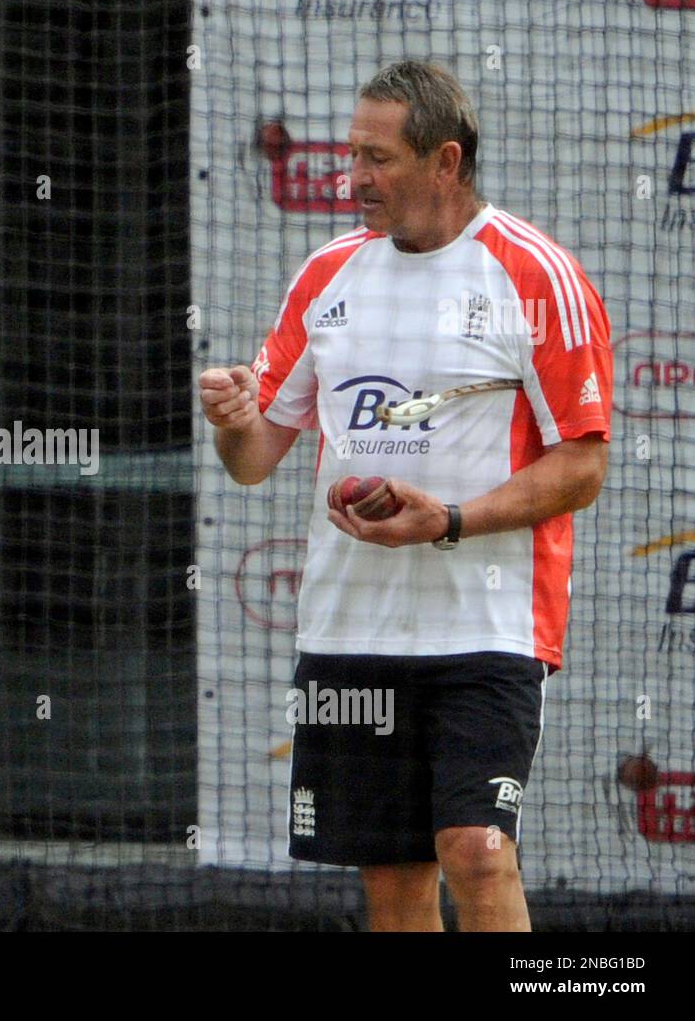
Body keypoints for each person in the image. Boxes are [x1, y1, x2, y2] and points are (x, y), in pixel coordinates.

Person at [199, 61, 611, 932]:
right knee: (393, 879)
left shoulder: (534, 275)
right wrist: (233, 419)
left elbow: (584, 465)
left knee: (476, 850)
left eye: (378, 158)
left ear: (446, 162)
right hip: (351, 627)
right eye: (352, 155)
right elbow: (252, 460)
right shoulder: (326, 274)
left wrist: (450, 522)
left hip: (487, 629)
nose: (354, 179)